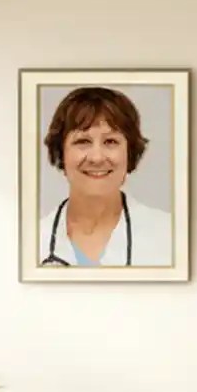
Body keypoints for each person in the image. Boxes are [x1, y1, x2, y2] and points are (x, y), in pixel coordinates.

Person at [38, 86, 172, 267]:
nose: (97, 158)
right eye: (82, 141)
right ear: (61, 152)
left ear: (130, 152)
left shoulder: (170, 236)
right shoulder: (32, 240)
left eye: (110, 142)